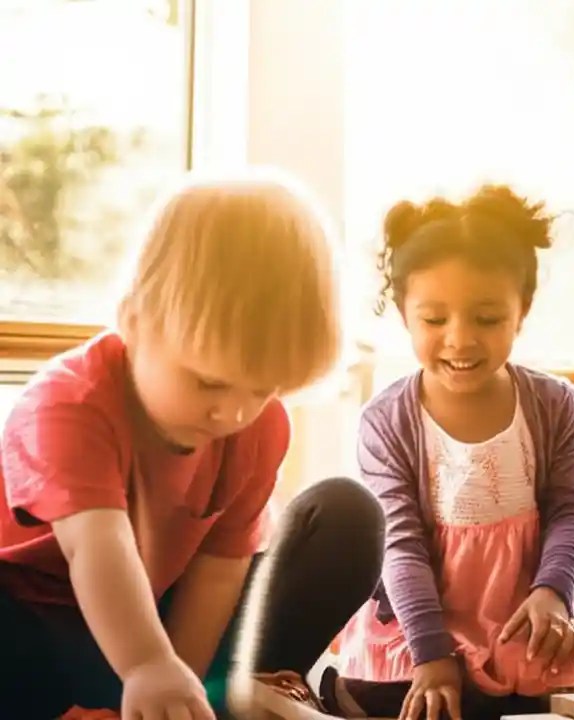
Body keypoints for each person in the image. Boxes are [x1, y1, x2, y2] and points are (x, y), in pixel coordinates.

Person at [0, 171, 386, 720]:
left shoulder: (259, 425)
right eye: (208, 382)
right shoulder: (68, 405)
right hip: (43, 621)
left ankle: (220, 692)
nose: (233, 413)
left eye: (262, 387)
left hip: (160, 614)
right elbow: (96, 548)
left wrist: (176, 681)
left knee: (346, 514)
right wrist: (146, 666)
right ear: (135, 319)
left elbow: (220, 568)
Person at [321, 185, 574, 720]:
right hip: (421, 616)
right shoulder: (385, 421)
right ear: (405, 316)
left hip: (519, 610)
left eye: (487, 318)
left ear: (521, 312)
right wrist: (431, 654)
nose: (460, 340)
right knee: (400, 692)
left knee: (557, 685)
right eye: (434, 321)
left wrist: (554, 593)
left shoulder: (553, 404)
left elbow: (572, 509)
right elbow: (400, 543)